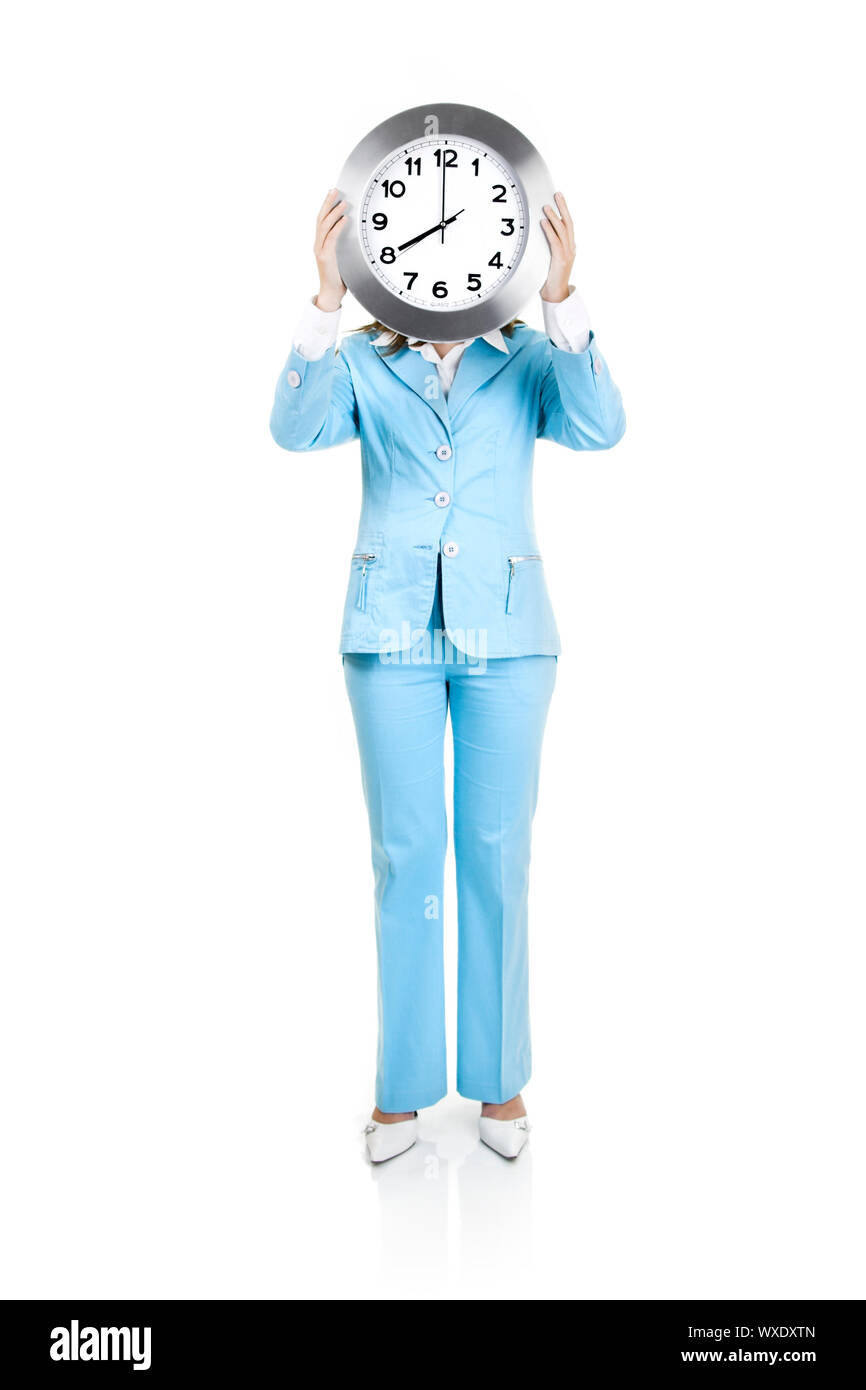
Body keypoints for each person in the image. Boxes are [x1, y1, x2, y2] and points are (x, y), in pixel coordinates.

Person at [270, 186, 626, 1161]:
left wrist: (563, 297)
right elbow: (293, 431)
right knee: (405, 859)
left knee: (494, 855)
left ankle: (499, 1084)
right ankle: (401, 1092)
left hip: (507, 634)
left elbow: (599, 426)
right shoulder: (358, 360)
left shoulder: (526, 361)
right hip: (391, 633)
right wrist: (321, 298)